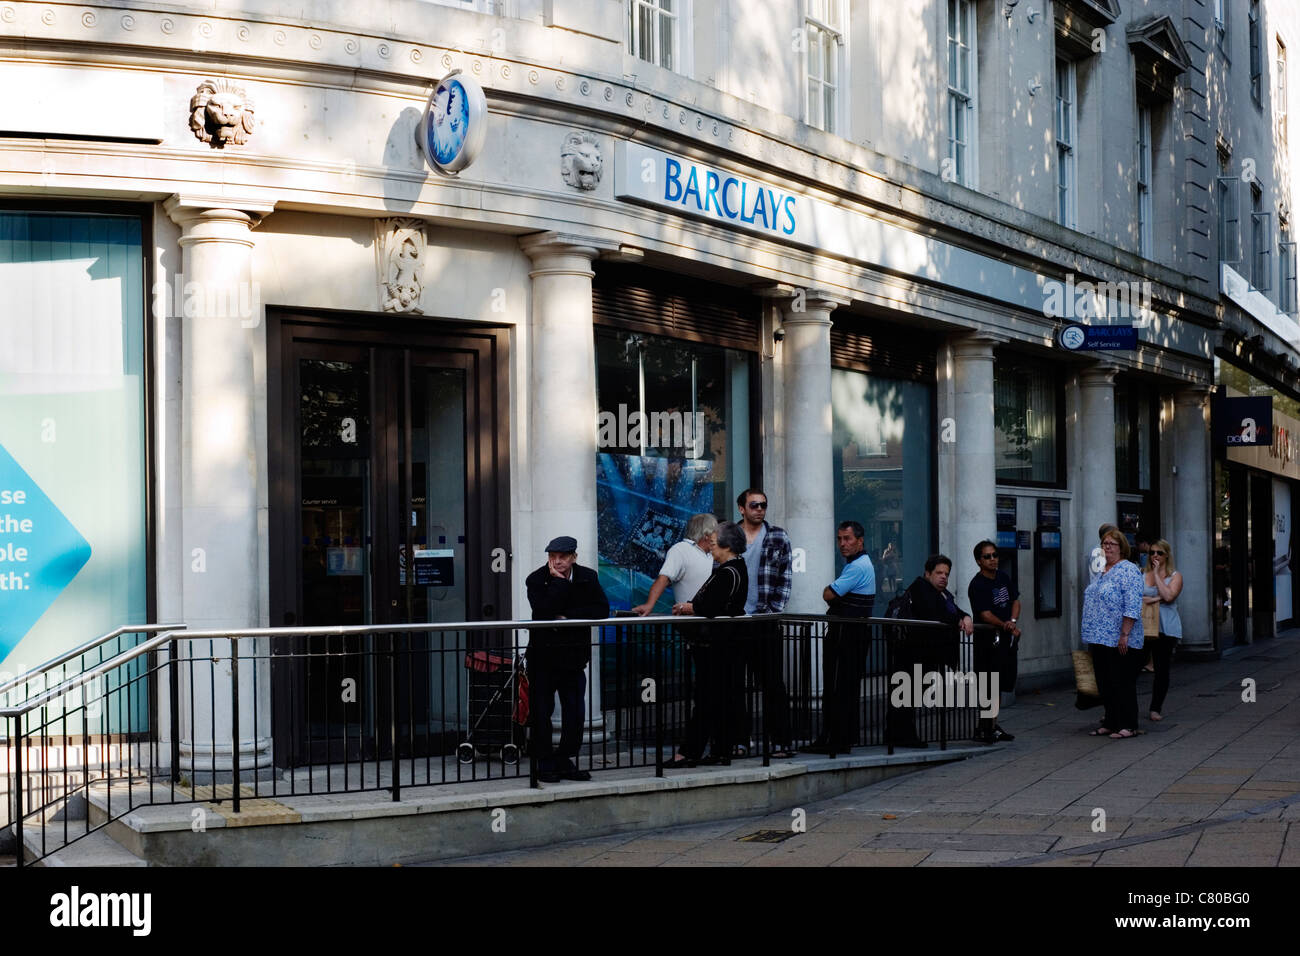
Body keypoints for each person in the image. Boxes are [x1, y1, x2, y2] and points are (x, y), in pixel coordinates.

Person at [664, 521, 749, 768]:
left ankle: (691, 751)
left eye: (713, 544)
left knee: (707, 699)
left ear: (726, 545)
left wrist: (690, 607)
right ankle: (720, 749)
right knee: (718, 699)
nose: (710, 549)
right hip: (724, 644)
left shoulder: (727, 571)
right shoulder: (734, 568)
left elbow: (711, 605)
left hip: (716, 646)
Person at [525, 535, 610, 783]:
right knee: (541, 711)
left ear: (573, 557)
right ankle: (544, 760)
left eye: (563, 557)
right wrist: (559, 584)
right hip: (543, 656)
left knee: (575, 711)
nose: (557, 561)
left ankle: (565, 759)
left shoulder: (587, 576)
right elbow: (543, 611)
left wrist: (567, 616)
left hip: (573, 656)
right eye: (553, 557)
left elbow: (600, 609)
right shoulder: (536, 579)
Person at [803, 521, 875, 755]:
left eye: (848, 539)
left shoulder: (856, 567)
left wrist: (833, 595)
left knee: (837, 687)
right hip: (852, 633)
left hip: (846, 634)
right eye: (840, 539)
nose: (843, 544)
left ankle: (833, 739)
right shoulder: (859, 564)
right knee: (845, 687)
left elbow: (828, 593)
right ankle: (842, 737)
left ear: (860, 541)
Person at [889, 554, 975, 748]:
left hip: (925, 651)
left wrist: (966, 617)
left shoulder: (942, 594)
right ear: (927, 573)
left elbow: (954, 611)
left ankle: (898, 732)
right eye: (939, 573)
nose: (943, 577)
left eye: (946, 573)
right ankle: (901, 734)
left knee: (912, 693)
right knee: (906, 694)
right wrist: (959, 619)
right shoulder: (921, 588)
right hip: (912, 650)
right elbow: (936, 614)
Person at [734, 488, 795, 758]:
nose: (759, 509)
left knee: (772, 683)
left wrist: (773, 610)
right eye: (754, 505)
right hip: (735, 620)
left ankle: (780, 741)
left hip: (764, 619)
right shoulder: (728, 535)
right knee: (735, 684)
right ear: (742, 509)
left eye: (763, 505)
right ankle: (739, 740)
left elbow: (786, 576)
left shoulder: (778, 535)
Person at [1081, 528, 1145, 740]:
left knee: (1122, 681)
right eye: (1104, 543)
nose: (1107, 547)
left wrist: (1124, 634)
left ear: (1122, 547)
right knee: (1104, 681)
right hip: (1098, 637)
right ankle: (1110, 721)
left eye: (1111, 544)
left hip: (1119, 637)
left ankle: (1128, 724)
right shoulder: (1100, 570)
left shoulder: (1128, 570)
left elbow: (1132, 605)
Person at [967, 540, 1017, 744]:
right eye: (987, 556)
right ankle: (985, 727)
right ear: (979, 561)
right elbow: (985, 614)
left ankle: (991, 726)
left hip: (1005, 641)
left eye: (995, 555)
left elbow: (1015, 600)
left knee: (999, 685)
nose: (993, 559)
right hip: (988, 642)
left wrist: (1012, 622)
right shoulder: (977, 584)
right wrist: (1005, 625)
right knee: (988, 685)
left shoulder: (1003, 577)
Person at [632, 513, 717, 615]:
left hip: (712, 619)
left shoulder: (713, 553)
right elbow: (663, 579)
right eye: (715, 532)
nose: (718, 536)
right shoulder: (680, 549)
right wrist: (649, 605)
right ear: (706, 535)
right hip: (692, 623)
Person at [1143, 538, 1183, 722]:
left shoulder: (1175, 576)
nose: (1155, 556)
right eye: (1152, 553)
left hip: (1166, 629)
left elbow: (1168, 595)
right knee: (1132, 665)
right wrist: (1156, 598)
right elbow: (1136, 598)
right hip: (1143, 626)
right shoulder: (1141, 574)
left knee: (1161, 669)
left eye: (1159, 553)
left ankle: (1155, 708)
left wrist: (1158, 574)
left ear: (1166, 555)